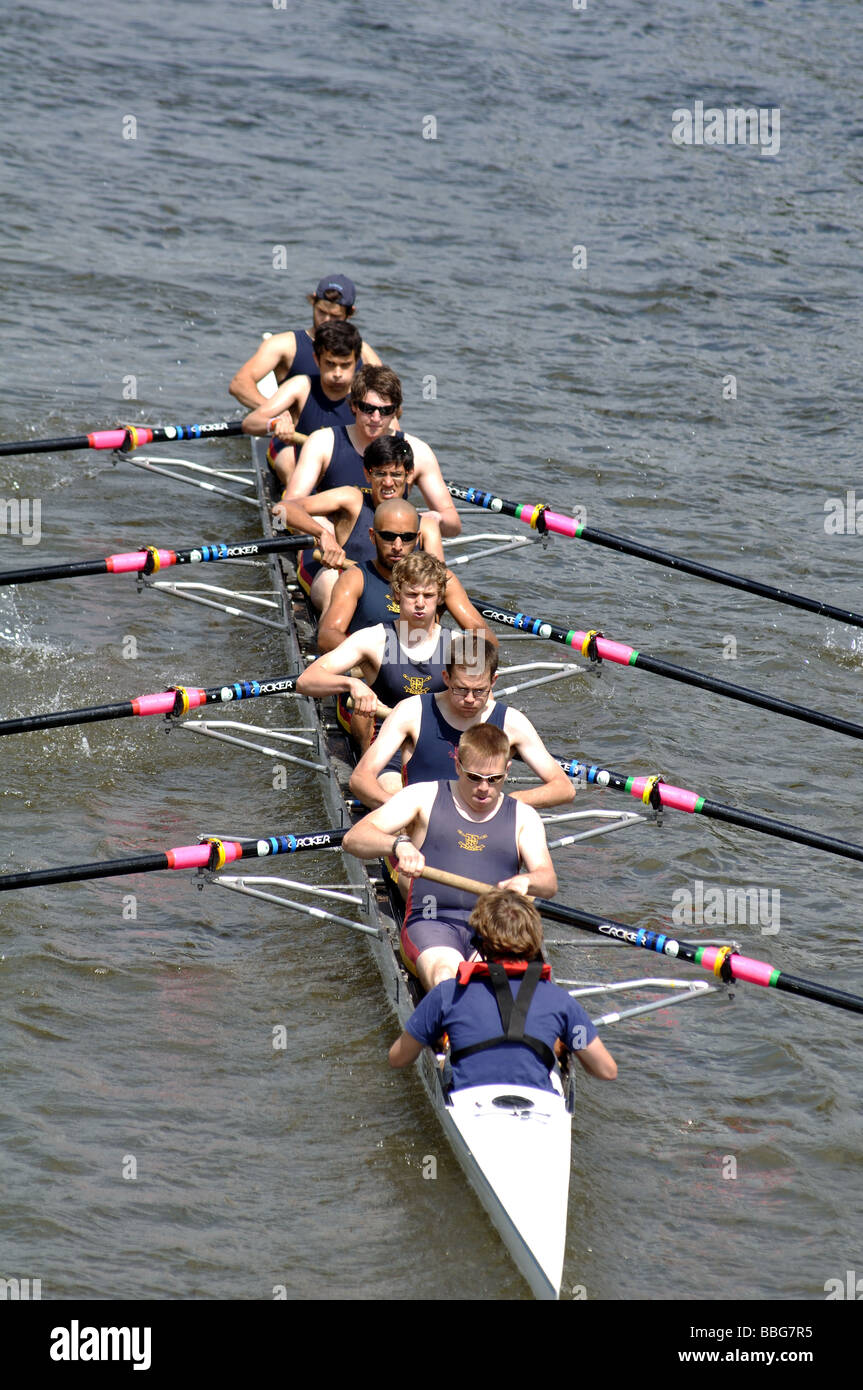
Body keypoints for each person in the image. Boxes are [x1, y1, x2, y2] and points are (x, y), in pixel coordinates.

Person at [342, 724, 558, 990]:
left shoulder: (524, 817)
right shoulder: (424, 796)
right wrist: (398, 844)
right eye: (474, 777)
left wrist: (528, 882)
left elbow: (548, 882)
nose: (483, 788)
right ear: (457, 765)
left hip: (496, 926)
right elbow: (354, 838)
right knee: (447, 973)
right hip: (433, 920)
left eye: (494, 779)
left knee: (503, 986)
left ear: (507, 772)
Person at [388, 890, 617, 1091]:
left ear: (480, 943)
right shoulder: (561, 1001)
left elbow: (398, 1058)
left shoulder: (447, 993)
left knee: (445, 1057)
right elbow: (606, 1071)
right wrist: (569, 1040)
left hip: (469, 1100)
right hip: (539, 1106)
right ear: (535, 943)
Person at [295, 553, 494, 751]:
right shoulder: (373, 639)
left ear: (440, 597)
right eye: (412, 594)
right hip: (390, 746)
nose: (420, 603)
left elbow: (488, 710)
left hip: (443, 746)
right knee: (392, 784)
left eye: (428, 595)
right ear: (397, 594)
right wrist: (351, 683)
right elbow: (306, 680)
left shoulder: (459, 645)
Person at [349, 635, 575, 808]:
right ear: (446, 678)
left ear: (493, 681)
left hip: (480, 827)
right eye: (461, 689)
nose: (469, 700)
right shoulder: (411, 712)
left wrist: (510, 803)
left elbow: (563, 788)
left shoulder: (512, 723)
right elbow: (361, 778)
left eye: (479, 691)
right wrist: (400, 811)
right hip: (421, 834)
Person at [276, 365, 460, 539]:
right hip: (328, 547)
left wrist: (437, 519)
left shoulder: (417, 451)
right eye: (368, 409)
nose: (376, 418)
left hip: (388, 549)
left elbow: (453, 525)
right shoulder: (323, 442)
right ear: (354, 406)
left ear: (396, 410)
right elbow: (287, 509)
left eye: (385, 410)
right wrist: (324, 532)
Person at [276, 435, 444, 616]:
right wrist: (323, 534)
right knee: (331, 580)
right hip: (344, 588)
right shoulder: (352, 500)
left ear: (409, 475)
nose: (388, 482)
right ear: (367, 474)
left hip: (398, 599)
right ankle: (328, 636)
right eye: (380, 474)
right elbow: (281, 510)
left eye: (396, 474)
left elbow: (441, 587)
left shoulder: (427, 527)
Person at [228, 274, 380, 408]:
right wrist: (274, 413)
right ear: (313, 302)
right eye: (321, 312)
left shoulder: (364, 353)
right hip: (291, 433)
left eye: (335, 316)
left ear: (350, 313)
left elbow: (392, 405)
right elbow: (239, 384)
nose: (326, 321)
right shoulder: (284, 345)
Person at [241, 321, 362, 485]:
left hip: (342, 466)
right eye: (330, 364)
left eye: (345, 365)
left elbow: (396, 438)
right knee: (291, 464)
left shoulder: (368, 395)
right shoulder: (301, 386)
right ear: (317, 360)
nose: (337, 374)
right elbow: (250, 423)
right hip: (299, 459)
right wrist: (276, 424)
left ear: (357, 361)